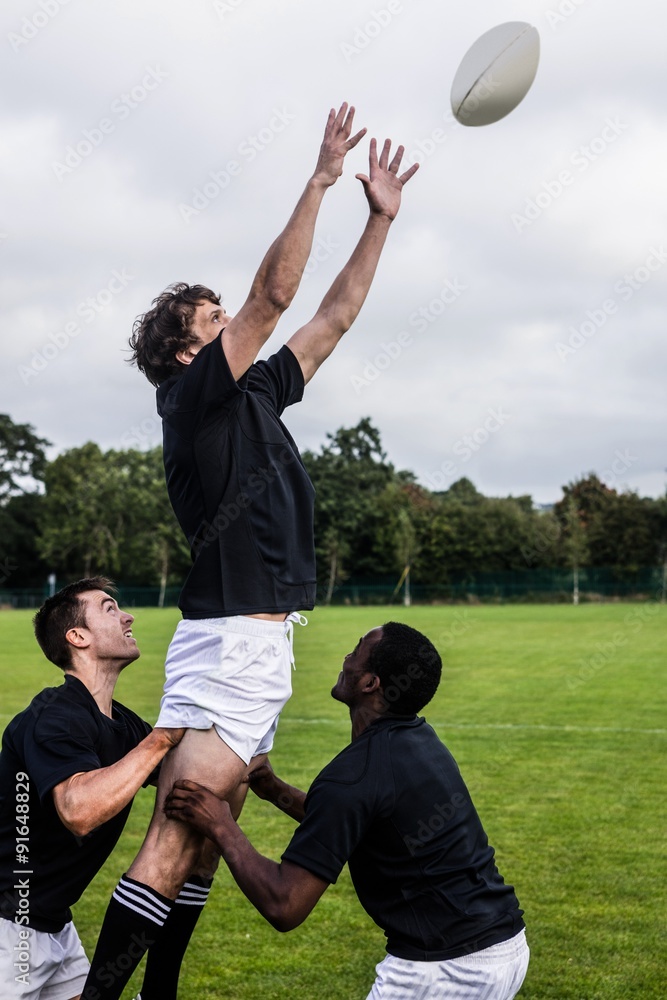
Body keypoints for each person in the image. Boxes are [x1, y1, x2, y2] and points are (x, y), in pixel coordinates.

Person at [82, 105, 418, 999]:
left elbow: (332, 317)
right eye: (214, 317)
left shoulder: (255, 393)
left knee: (196, 843)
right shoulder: (192, 399)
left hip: (241, 642)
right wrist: (318, 181)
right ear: (188, 350)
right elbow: (274, 299)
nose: (235, 320)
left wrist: (378, 219)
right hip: (236, 642)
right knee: (173, 841)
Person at [165, 622, 530, 1000]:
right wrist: (276, 792)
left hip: (443, 970)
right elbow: (356, 822)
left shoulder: (353, 776)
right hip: (506, 945)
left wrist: (221, 826)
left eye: (356, 652)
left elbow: (284, 904)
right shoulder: (421, 739)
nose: (345, 658)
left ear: (370, 683)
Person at [0, 578, 188, 1000]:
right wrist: (160, 739)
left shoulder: (121, 723)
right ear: (77, 637)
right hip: (8, 930)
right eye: (108, 608)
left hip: (53, 924)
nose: (127, 616)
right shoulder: (53, 716)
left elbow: (186, 773)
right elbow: (78, 810)